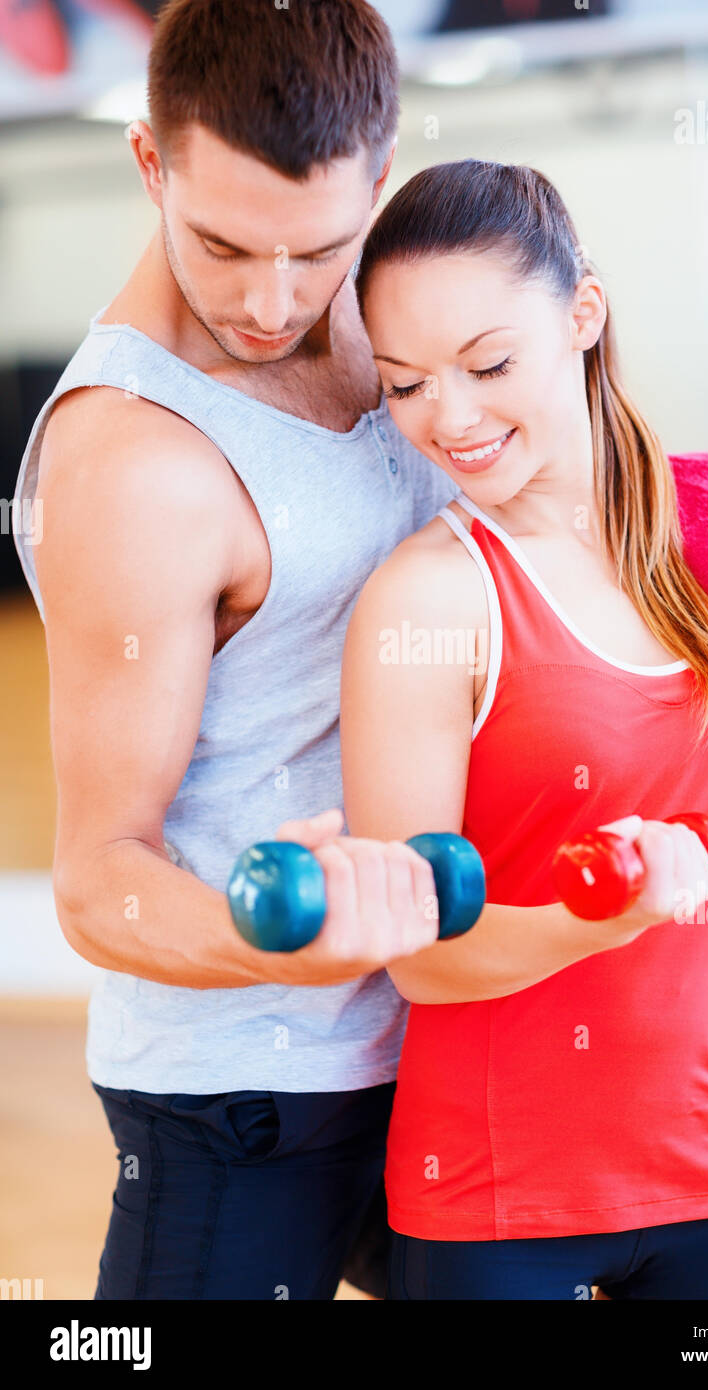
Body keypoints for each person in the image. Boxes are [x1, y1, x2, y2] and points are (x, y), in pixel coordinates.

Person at [339, 159, 708, 1300]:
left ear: (582, 312)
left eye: (486, 364)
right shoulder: (426, 599)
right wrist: (604, 917)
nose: (452, 419)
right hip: (491, 1199)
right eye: (404, 384)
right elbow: (421, 956)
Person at [11, 0, 461, 1300]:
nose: (271, 302)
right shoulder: (132, 461)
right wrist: (289, 944)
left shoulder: (396, 308)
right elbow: (99, 877)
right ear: (150, 165)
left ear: (378, 177)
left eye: (316, 247)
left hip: (442, 1030)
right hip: (243, 1095)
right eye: (220, 244)